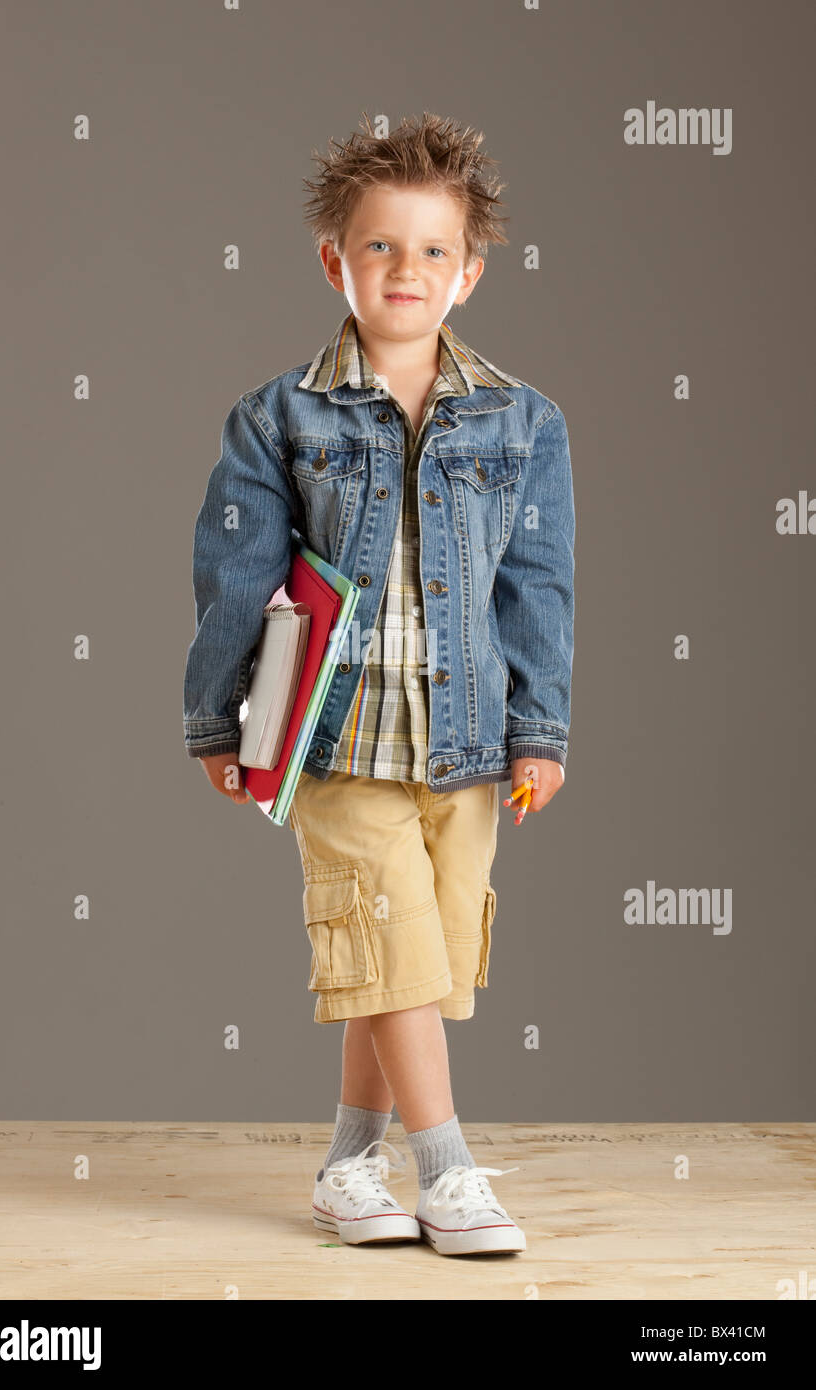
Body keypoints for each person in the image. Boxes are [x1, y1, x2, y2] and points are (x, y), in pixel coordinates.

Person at [182, 111, 575, 1256]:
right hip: (336, 736)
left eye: (432, 251)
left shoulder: (524, 421)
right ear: (332, 261)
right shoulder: (276, 417)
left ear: (469, 273)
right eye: (378, 248)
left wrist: (537, 732)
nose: (405, 270)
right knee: (391, 937)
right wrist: (222, 716)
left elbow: (537, 589)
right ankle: (446, 1169)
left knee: (412, 956)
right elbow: (235, 578)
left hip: (464, 745)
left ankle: (349, 1163)